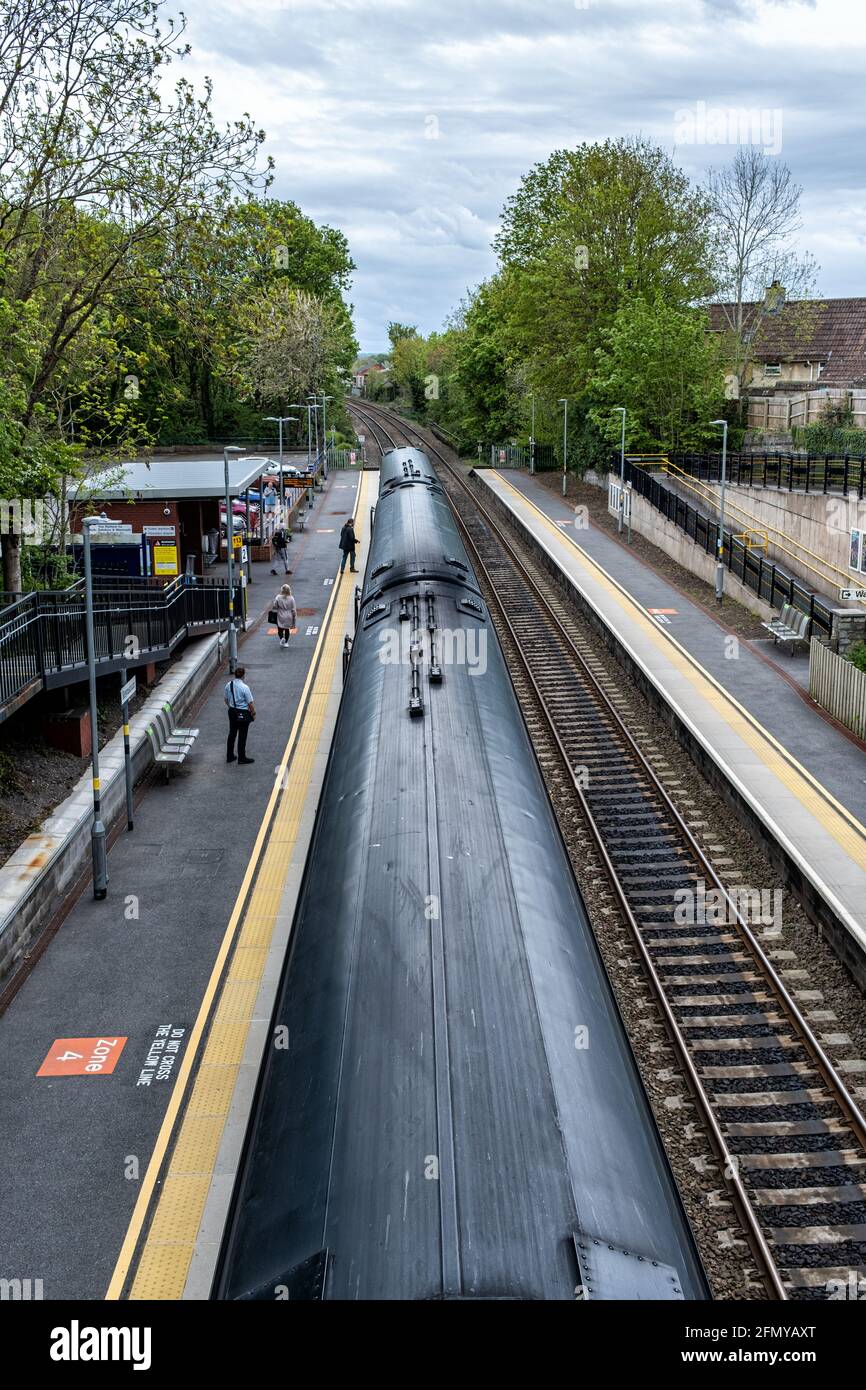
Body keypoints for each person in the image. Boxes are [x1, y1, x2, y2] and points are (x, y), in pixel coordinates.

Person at [224, 665, 256, 764]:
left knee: (232, 734)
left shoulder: (229, 685)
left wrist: (231, 707)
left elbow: (225, 699)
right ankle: (241, 758)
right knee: (242, 736)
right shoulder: (245, 687)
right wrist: (253, 713)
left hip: (232, 711)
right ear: (243, 676)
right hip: (243, 713)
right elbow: (250, 703)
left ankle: (230, 756)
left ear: (235, 675)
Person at [273, 583, 297, 648]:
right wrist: (294, 618)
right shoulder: (291, 598)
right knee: (287, 629)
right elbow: (293, 609)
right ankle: (286, 642)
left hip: (280, 615)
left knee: (280, 629)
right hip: (289, 616)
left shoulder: (278, 597)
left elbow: (274, 606)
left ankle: (281, 638)